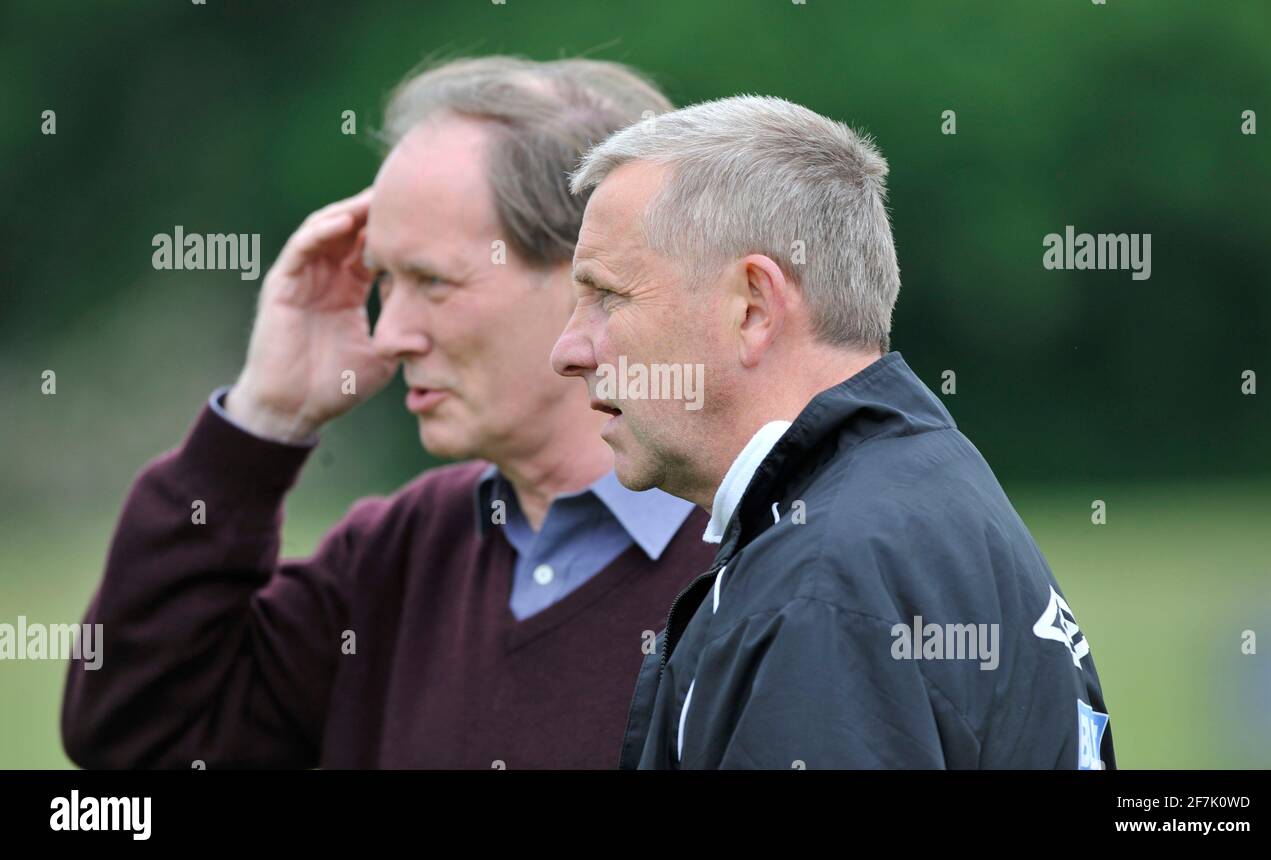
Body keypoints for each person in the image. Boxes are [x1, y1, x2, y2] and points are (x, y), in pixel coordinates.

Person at [61, 56, 716, 769]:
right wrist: (263, 420)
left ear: (588, 276)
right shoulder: (398, 555)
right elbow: (137, 740)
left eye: (432, 281)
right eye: (383, 281)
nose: (387, 333)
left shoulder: (759, 559)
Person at [551, 95, 1116, 769]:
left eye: (608, 296)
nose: (568, 350)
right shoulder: (930, 492)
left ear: (753, 307)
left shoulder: (823, 586)